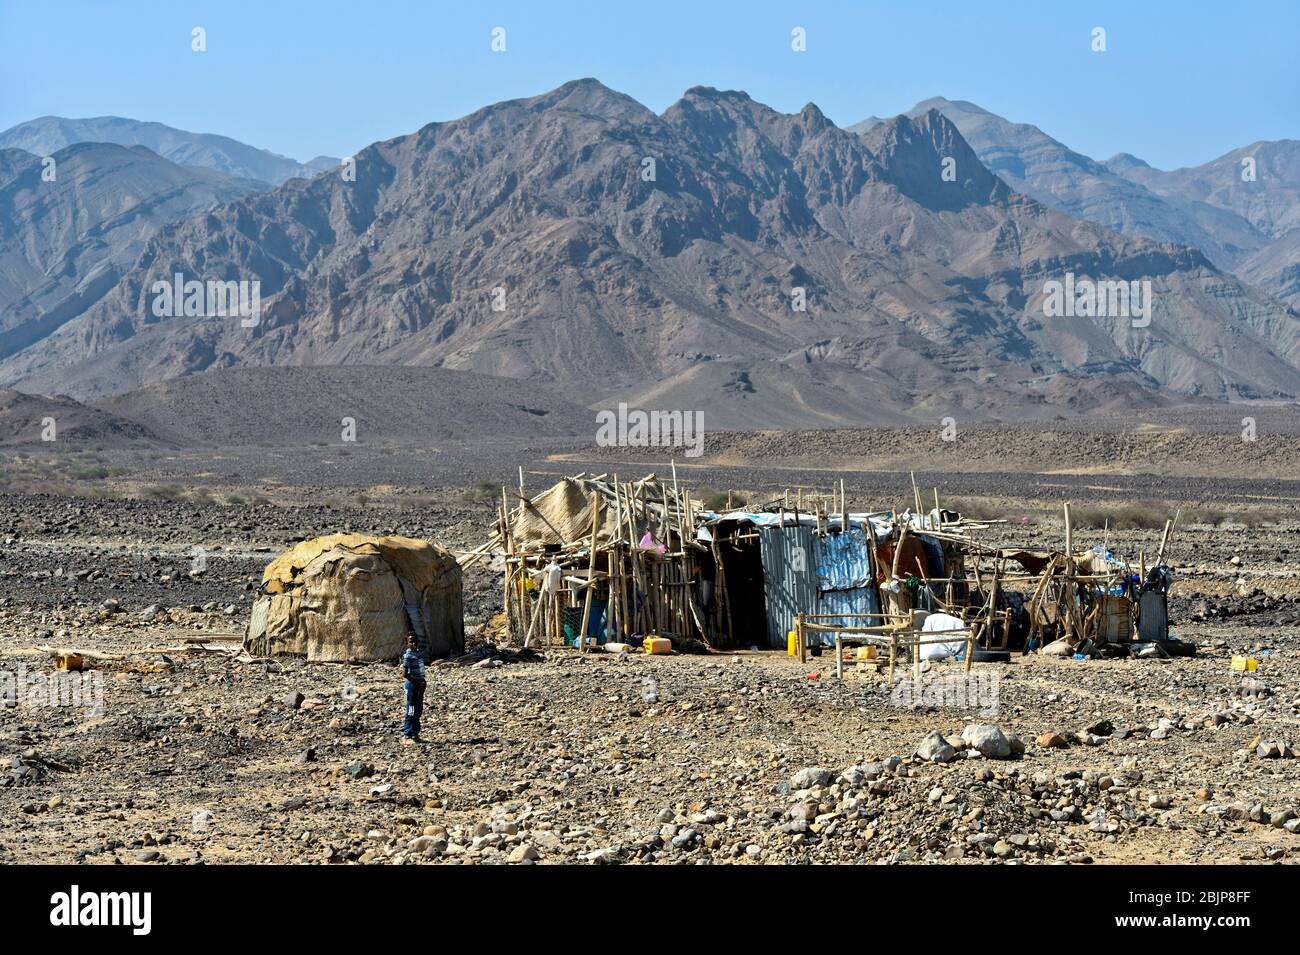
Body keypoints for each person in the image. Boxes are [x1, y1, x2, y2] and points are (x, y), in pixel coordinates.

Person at [400, 633, 427, 743]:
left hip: (419, 685)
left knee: (418, 709)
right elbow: (405, 674)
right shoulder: (408, 656)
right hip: (411, 685)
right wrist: (417, 684)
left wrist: (423, 684)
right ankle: (407, 733)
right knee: (410, 710)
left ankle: (415, 733)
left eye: (415, 641)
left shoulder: (418, 654)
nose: (413, 643)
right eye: (411, 642)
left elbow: (421, 671)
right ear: (406, 643)